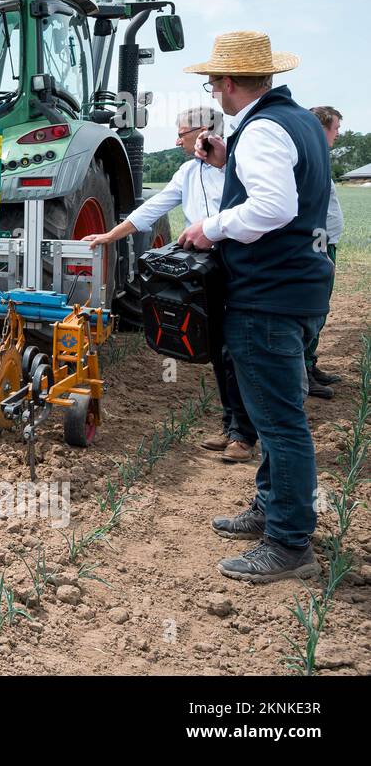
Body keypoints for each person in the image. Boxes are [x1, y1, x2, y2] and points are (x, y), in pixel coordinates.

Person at [179, 31, 330, 583]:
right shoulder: (298, 122)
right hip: (299, 285)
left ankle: (289, 544)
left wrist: (208, 228)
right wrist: (227, 160)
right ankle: (272, 507)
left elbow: (273, 205)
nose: (212, 91)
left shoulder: (263, 128)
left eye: (212, 82)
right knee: (275, 412)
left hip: (268, 293)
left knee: (281, 422)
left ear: (226, 82)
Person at [83, 107, 254, 461]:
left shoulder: (242, 166)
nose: (178, 140)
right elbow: (153, 208)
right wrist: (111, 235)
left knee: (238, 351)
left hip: (242, 264)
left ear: (206, 132)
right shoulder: (188, 172)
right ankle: (233, 428)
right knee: (218, 349)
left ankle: (246, 436)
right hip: (207, 268)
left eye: (183, 133)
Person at [304, 105, 344, 397]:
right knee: (312, 310)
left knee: (319, 310)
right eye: (336, 129)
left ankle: (310, 364)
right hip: (318, 244)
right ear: (321, 128)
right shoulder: (309, 159)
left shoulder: (319, 158)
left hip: (326, 243)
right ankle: (303, 372)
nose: (338, 135)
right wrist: (321, 252)